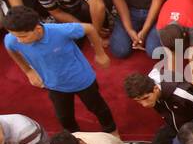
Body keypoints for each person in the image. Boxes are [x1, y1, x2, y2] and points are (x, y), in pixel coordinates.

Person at [4, 7, 113, 136]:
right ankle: (75, 138)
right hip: (54, 84)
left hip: (82, 79)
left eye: (23, 36)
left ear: (37, 29)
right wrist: (28, 71)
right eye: (16, 36)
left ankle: (112, 131)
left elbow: (89, 28)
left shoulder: (60, 31)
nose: (19, 40)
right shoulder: (13, 39)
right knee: (64, 117)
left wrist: (100, 54)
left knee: (98, 108)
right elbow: (10, 48)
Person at [124, 71, 193, 144]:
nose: (144, 104)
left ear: (156, 88)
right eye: (138, 101)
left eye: (146, 98)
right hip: (174, 123)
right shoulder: (149, 84)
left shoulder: (180, 93)